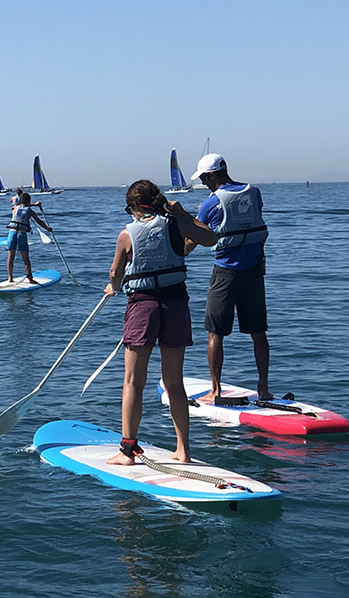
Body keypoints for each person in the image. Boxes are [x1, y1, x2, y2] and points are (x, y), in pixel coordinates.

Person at [104, 180, 217, 466]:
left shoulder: (126, 235)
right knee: (174, 382)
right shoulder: (176, 224)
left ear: (134, 207)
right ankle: (183, 450)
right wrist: (182, 214)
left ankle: (127, 452)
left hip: (143, 307)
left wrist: (113, 287)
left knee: (133, 381)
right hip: (176, 305)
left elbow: (116, 273)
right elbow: (211, 238)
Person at [187, 153, 271, 403]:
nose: (203, 182)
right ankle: (264, 389)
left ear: (213, 175)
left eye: (203, 177)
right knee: (258, 332)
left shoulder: (211, 203)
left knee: (215, 333)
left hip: (225, 273)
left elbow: (191, 241)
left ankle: (215, 391)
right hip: (255, 272)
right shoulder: (253, 192)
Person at [5, 191, 51, 283]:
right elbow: (40, 222)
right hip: (21, 234)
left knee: (11, 256)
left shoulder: (15, 208)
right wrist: (48, 228)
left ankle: (10, 278)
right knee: (25, 258)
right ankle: (30, 279)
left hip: (11, 233)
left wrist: (34, 204)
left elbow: (23, 205)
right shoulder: (30, 212)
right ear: (29, 201)